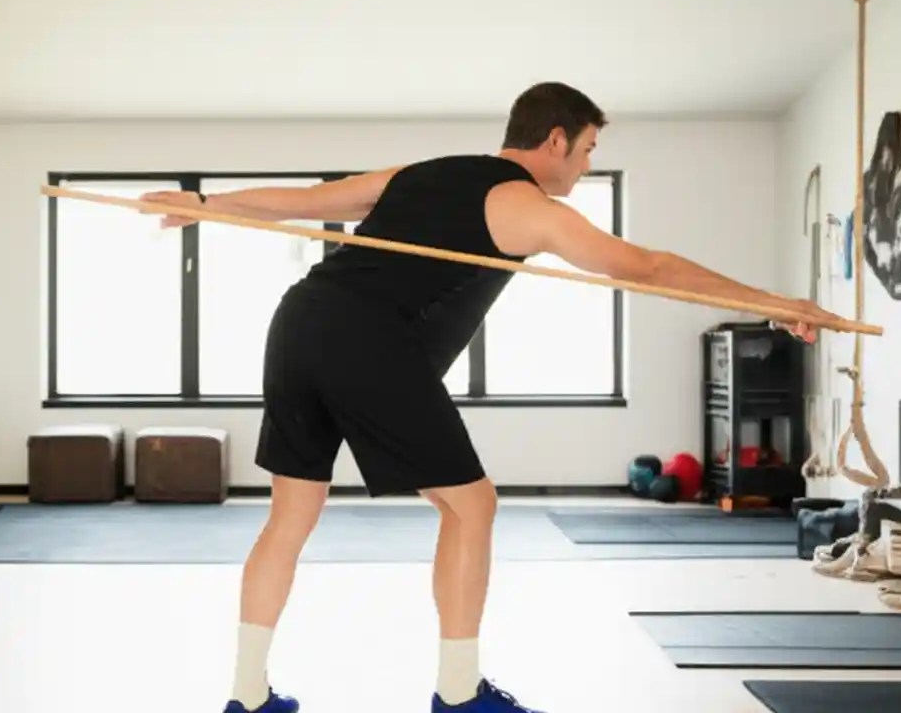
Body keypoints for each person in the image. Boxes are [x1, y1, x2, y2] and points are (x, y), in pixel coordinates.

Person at [141, 82, 839, 713]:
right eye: (588, 149)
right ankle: (459, 693)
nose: (586, 167)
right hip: (366, 335)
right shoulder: (525, 205)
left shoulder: (424, 174)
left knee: (290, 514)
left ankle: (247, 695)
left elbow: (313, 201)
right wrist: (772, 303)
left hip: (300, 320)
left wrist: (207, 205)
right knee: (472, 504)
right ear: (556, 139)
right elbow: (648, 268)